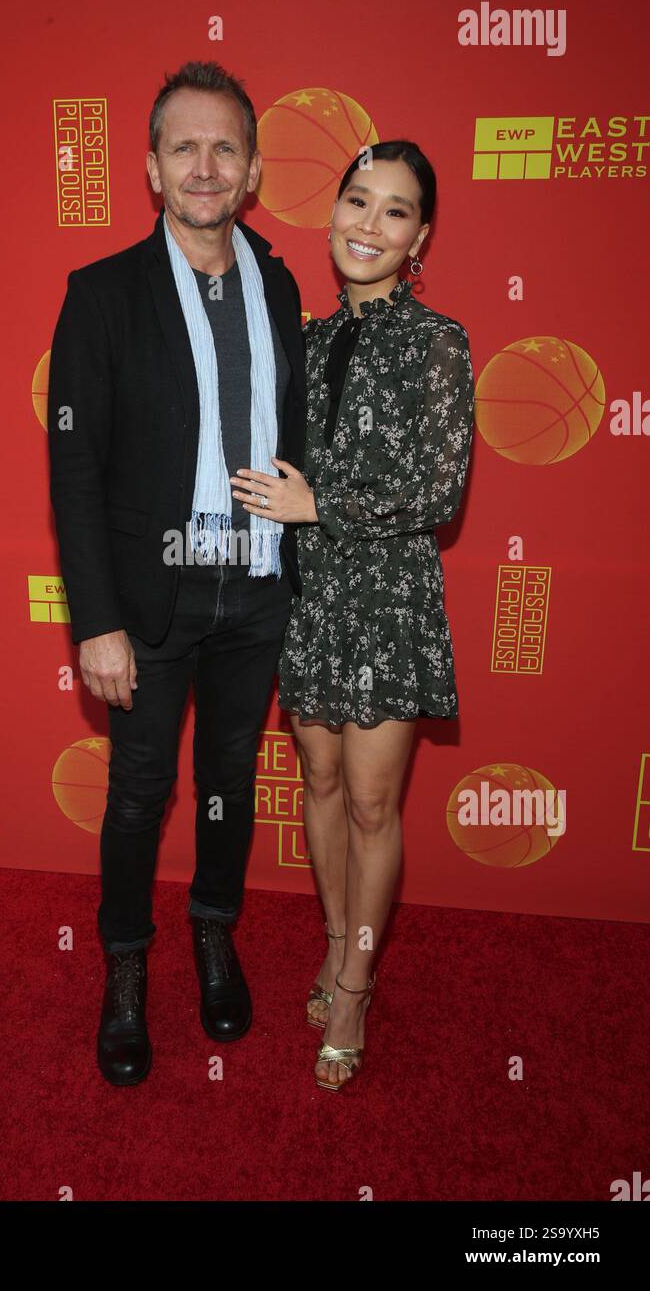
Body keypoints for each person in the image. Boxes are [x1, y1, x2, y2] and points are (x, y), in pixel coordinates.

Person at [47, 60, 307, 1086]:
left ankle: (211, 931)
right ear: (152, 167)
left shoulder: (279, 281)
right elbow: (74, 468)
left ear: (249, 170)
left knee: (227, 782)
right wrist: (95, 620)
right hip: (151, 592)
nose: (206, 166)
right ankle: (123, 968)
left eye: (225, 146)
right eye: (184, 146)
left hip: (255, 586)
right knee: (136, 793)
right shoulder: (101, 293)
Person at [229, 142, 475, 1092]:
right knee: (320, 784)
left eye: (397, 212)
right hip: (308, 596)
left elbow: (439, 490)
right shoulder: (308, 337)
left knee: (373, 803)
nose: (369, 226)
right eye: (358, 202)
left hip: (388, 600)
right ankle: (336, 945)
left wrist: (319, 505)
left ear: (421, 237)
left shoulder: (439, 342)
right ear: (331, 213)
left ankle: (358, 986)